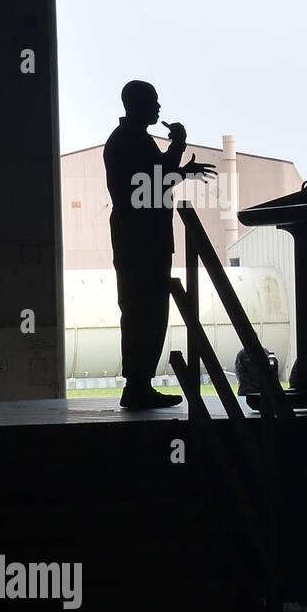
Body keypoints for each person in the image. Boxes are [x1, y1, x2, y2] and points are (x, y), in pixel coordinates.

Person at [103, 80, 216, 409]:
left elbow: (151, 179)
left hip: (137, 237)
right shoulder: (131, 140)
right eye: (153, 101)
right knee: (146, 312)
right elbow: (154, 178)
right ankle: (138, 385)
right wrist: (178, 146)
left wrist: (179, 170)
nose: (158, 107)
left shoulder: (129, 140)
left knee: (142, 311)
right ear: (136, 104)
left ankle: (139, 383)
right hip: (143, 240)